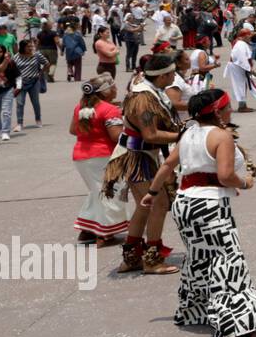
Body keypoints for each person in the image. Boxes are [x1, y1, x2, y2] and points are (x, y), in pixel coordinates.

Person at [145, 88, 256, 337]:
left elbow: (168, 165)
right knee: (227, 260)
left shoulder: (189, 133)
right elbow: (225, 176)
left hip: (184, 205)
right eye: (226, 106)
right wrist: (244, 183)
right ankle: (232, 326)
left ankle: (197, 312)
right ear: (216, 111)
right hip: (209, 206)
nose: (230, 109)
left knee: (199, 258)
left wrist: (152, 192)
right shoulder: (221, 136)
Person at [103, 53, 182, 274]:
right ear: (163, 76)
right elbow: (151, 134)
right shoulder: (143, 98)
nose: (175, 76)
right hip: (138, 156)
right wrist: (182, 136)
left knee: (145, 206)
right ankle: (152, 260)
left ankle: (132, 257)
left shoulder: (150, 90)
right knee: (158, 203)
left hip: (142, 154)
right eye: (172, 73)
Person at [70, 74, 128, 245]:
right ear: (106, 91)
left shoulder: (80, 107)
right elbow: (116, 136)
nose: (117, 89)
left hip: (81, 156)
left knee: (97, 192)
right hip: (103, 157)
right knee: (111, 192)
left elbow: (73, 130)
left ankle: (87, 230)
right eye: (114, 86)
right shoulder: (109, 110)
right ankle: (104, 233)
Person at [11, 38, 48, 131]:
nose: (31, 48)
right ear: (23, 47)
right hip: (20, 83)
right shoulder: (16, 57)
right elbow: (11, 69)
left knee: (35, 102)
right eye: (28, 46)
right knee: (20, 103)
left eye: (31, 46)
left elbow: (47, 63)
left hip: (34, 82)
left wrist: (40, 73)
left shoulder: (37, 55)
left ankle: (38, 119)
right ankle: (20, 123)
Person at [224, 28, 256, 113]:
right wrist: (248, 68)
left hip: (239, 67)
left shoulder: (242, 43)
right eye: (249, 35)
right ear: (244, 35)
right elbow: (242, 58)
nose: (250, 37)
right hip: (238, 67)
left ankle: (243, 105)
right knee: (240, 86)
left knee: (243, 86)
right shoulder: (240, 44)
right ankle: (242, 106)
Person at [0, 43, 13, 145]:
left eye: (0, 52)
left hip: (6, 89)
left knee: (6, 112)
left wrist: (18, 86)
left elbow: (2, 69)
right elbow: (0, 68)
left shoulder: (10, 62)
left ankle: (5, 131)